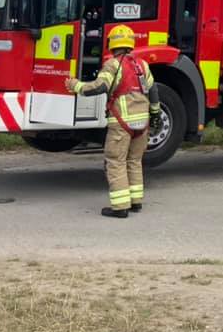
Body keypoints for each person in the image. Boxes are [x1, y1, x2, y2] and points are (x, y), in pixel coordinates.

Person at [65, 24, 161, 219]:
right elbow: (153, 90)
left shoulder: (112, 64)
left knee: (115, 162)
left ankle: (120, 207)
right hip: (142, 124)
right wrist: (155, 112)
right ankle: (136, 202)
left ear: (112, 43)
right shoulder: (141, 64)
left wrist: (75, 85)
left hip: (121, 123)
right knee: (134, 161)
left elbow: (98, 88)